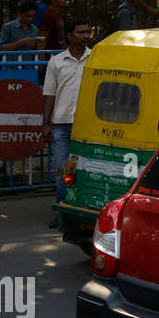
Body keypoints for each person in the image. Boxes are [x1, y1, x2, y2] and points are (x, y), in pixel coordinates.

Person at [41, 16, 92, 228]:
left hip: (88, 124)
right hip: (62, 123)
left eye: (88, 32)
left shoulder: (96, 58)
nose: (87, 36)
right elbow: (49, 94)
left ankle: (82, 212)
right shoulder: (56, 61)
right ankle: (63, 212)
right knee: (62, 170)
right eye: (81, 32)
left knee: (86, 170)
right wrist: (46, 124)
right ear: (70, 36)